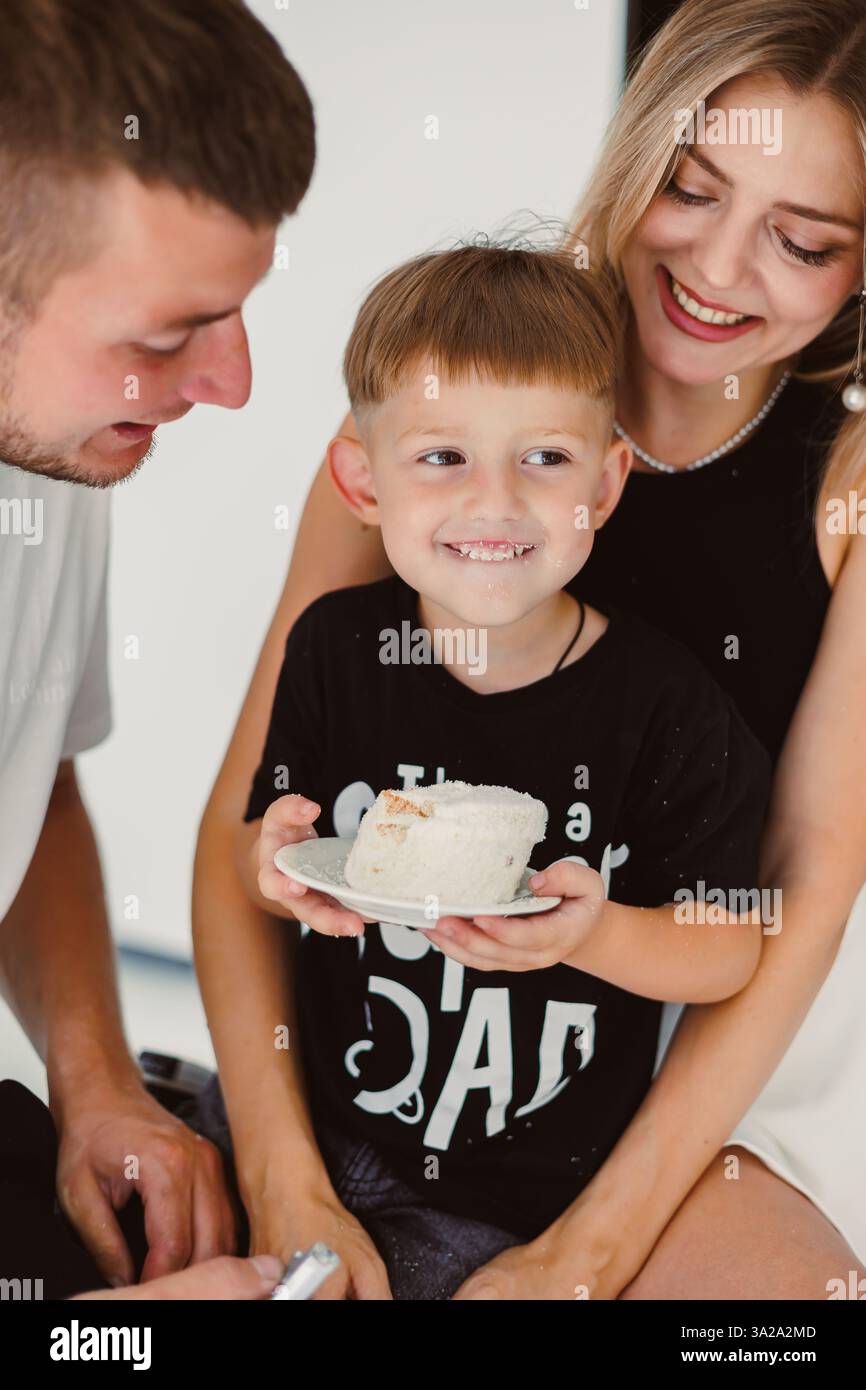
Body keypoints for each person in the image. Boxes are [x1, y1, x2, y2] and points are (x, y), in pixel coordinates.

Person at [194, 0, 866, 1298]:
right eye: (689, 188)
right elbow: (243, 837)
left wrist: (581, 1256)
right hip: (386, 1057)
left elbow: (793, 902)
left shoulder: (843, 483)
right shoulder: (447, 398)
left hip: (720, 1062)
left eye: (799, 241)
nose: (718, 266)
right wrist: (287, 1184)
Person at [187, 242, 772, 1300]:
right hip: (309, 1143)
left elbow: (729, 949)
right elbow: (251, 857)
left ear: (606, 482)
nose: (494, 502)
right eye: (442, 457)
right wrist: (269, 867)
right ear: (361, 482)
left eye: (544, 458)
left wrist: (594, 933)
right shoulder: (334, 651)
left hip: (503, 1210)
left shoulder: (664, 703)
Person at [0, 0, 315, 1298]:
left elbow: (30, 777)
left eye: (233, 312)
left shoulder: (54, 458)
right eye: (163, 336)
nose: (232, 383)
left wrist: (97, 1083)